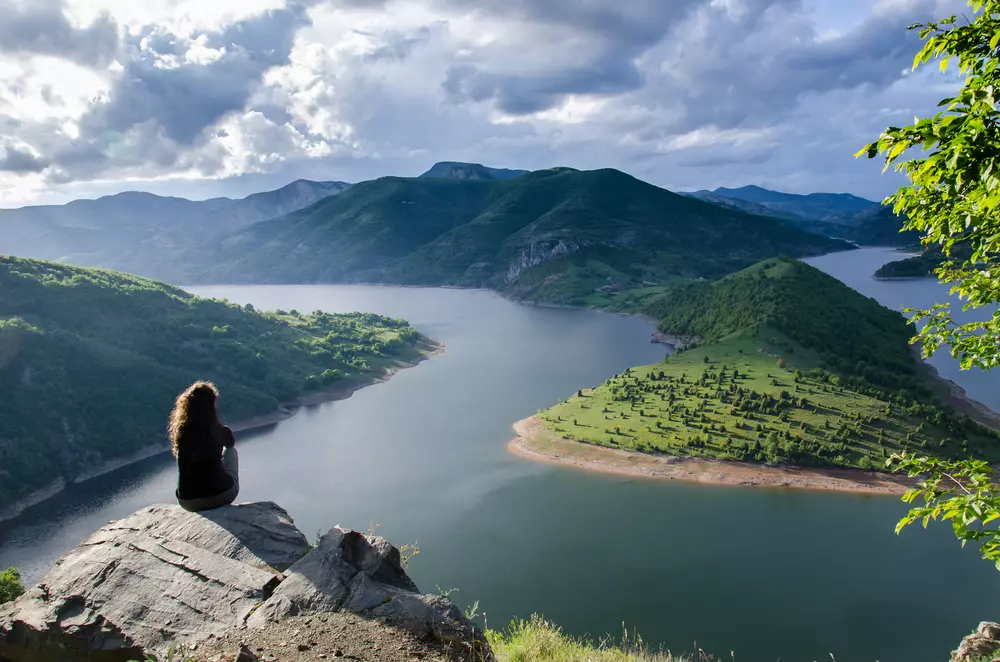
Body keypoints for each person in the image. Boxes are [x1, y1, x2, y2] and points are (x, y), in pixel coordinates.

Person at [169, 381, 240, 512]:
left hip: (187, 502)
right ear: (212, 405)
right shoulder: (219, 430)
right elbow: (230, 444)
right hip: (221, 496)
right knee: (231, 452)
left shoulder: (181, 432)